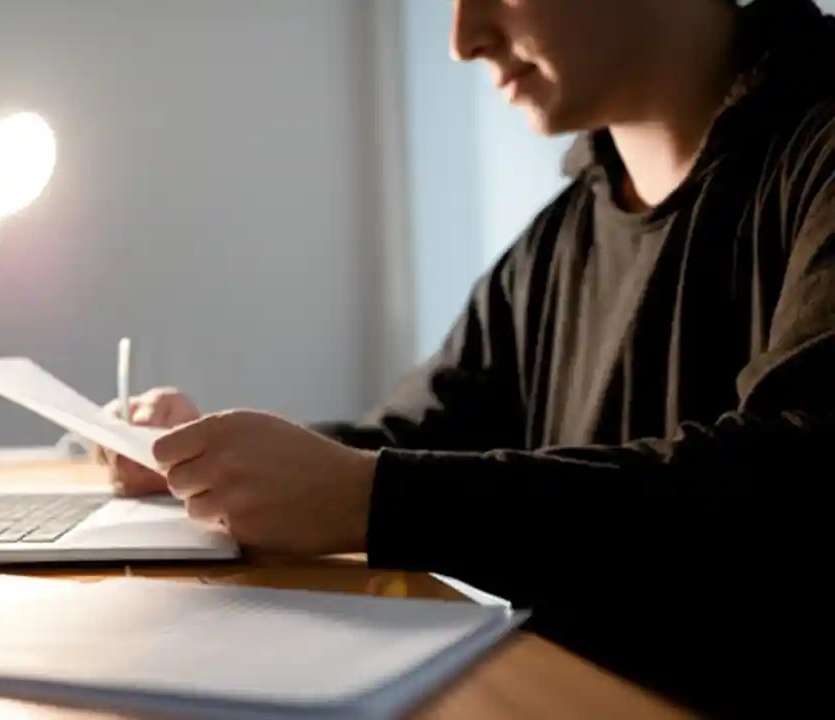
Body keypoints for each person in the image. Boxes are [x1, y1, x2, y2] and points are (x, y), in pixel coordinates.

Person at [96, 0, 833, 715]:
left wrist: (371, 497)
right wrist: (213, 461)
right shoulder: (555, 243)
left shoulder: (818, 154)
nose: (463, 37)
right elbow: (413, 441)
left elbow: (796, 485)